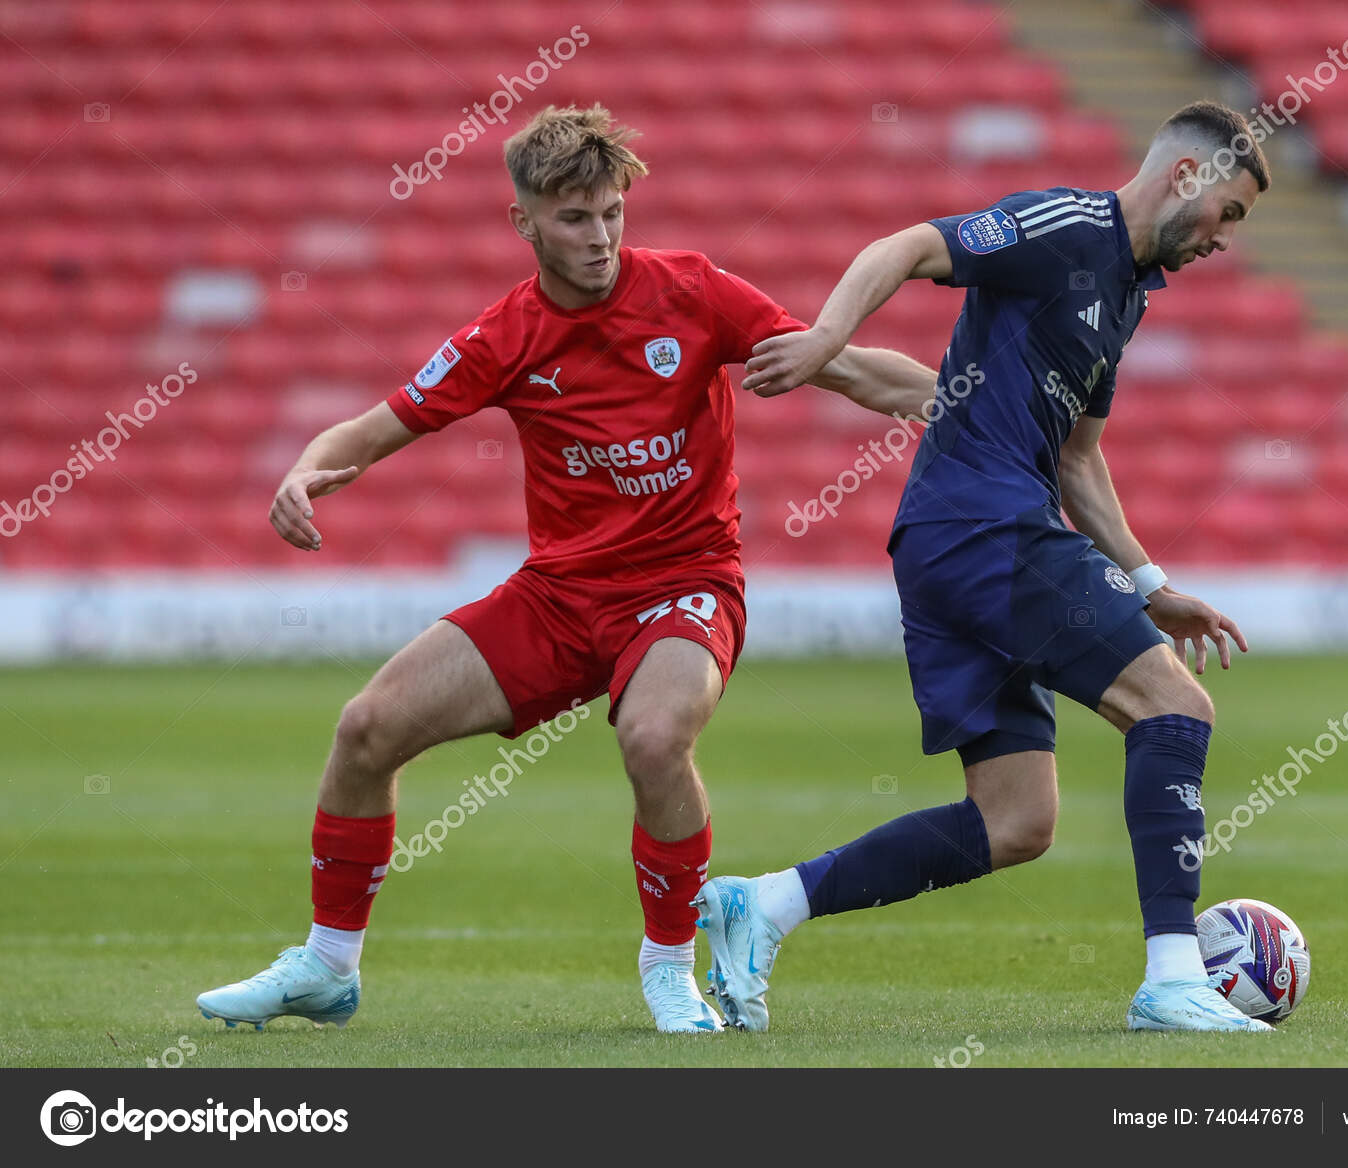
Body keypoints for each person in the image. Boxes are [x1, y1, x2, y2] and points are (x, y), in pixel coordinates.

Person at [195, 103, 936, 1034]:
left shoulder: (694, 291)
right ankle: (327, 966)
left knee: (655, 738)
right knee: (366, 729)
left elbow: (852, 369)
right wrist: (305, 470)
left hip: (686, 583)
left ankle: (670, 968)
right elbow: (375, 428)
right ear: (525, 222)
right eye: (575, 218)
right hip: (558, 597)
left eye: (612, 213)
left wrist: (975, 404)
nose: (600, 237)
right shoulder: (504, 336)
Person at [695, 101, 1276, 1033]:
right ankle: (1174, 978)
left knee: (1015, 822)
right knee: (1174, 708)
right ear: (1186, 177)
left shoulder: (1125, 293)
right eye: (1229, 213)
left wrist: (1151, 586)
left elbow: (1077, 460)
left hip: (957, 544)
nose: (1224, 239)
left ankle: (763, 906)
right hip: (982, 530)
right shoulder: (1066, 227)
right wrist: (827, 340)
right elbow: (907, 247)